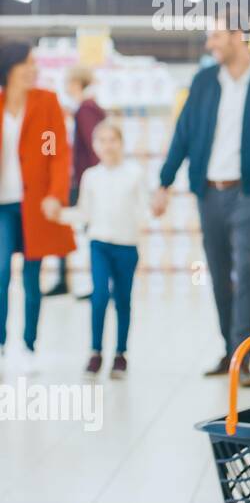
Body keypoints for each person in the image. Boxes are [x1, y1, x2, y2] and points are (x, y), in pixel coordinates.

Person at [152, 9, 250, 388]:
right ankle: (229, 350)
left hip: (248, 192)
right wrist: (164, 181)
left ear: (238, 36)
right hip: (208, 192)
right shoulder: (204, 81)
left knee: (246, 271)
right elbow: (183, 135)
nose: (210, 43)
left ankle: (244, 357)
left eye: (216, 36)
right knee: (219, 275)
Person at [0, 40, 76, 374]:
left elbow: (58, 152)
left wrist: (55, 195)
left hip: (35, 205)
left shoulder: (46, 103)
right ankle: (1, 344)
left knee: (32, 279)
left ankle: (29, 346)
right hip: (2, 205)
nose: (34, 69)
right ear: (10, 67)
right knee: (1, 272)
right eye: (27, 63)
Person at [59, 121, 144, 378]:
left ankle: (121, 354)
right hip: (99, 243)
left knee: (123, 300)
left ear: (121, 143)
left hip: (127, 245)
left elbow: (144, 211)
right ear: (95, 145)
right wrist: (59, 215)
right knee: (98, 296)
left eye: (112, 140)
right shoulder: (91, 176)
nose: (108, 146)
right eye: (102, 140)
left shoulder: (135, 173)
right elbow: (84, 212)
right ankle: (95, 352)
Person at [45, 64, 106, 298]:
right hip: (78, 180)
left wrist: (95, 179)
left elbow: (94, 148)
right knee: (66, 226)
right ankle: (66, 279)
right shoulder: (81, 109)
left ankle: (94, 284)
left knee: (87, 228)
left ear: (76, 84)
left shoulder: (86, 109)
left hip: (83, 181)